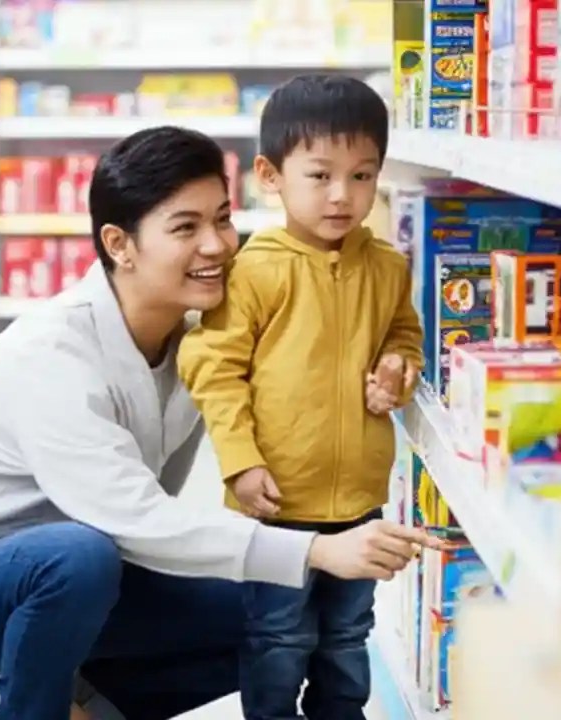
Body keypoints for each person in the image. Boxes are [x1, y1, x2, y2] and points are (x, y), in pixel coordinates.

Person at [0, 125, 433, 720]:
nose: (218, 245)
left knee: (276, 615)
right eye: (185, 227)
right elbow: (135, 518)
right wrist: (317, 550)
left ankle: (92, 707)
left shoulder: (194, 345)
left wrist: (391, 360)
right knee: (78, 555)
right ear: (120, 244)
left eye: (222, 219)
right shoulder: (50, 353)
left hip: (91, 576)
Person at [178, 75, 426, 720]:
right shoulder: (256, 270)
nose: (343, 196)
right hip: (274, 499)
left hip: (361, 499)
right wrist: (240, 459)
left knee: (348, 636)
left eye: (363, 175)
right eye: (320, 175)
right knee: (278, 637)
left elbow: (404, 336)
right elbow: (214, 367)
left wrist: (398, 366)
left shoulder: (389, 267)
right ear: (270, 175)